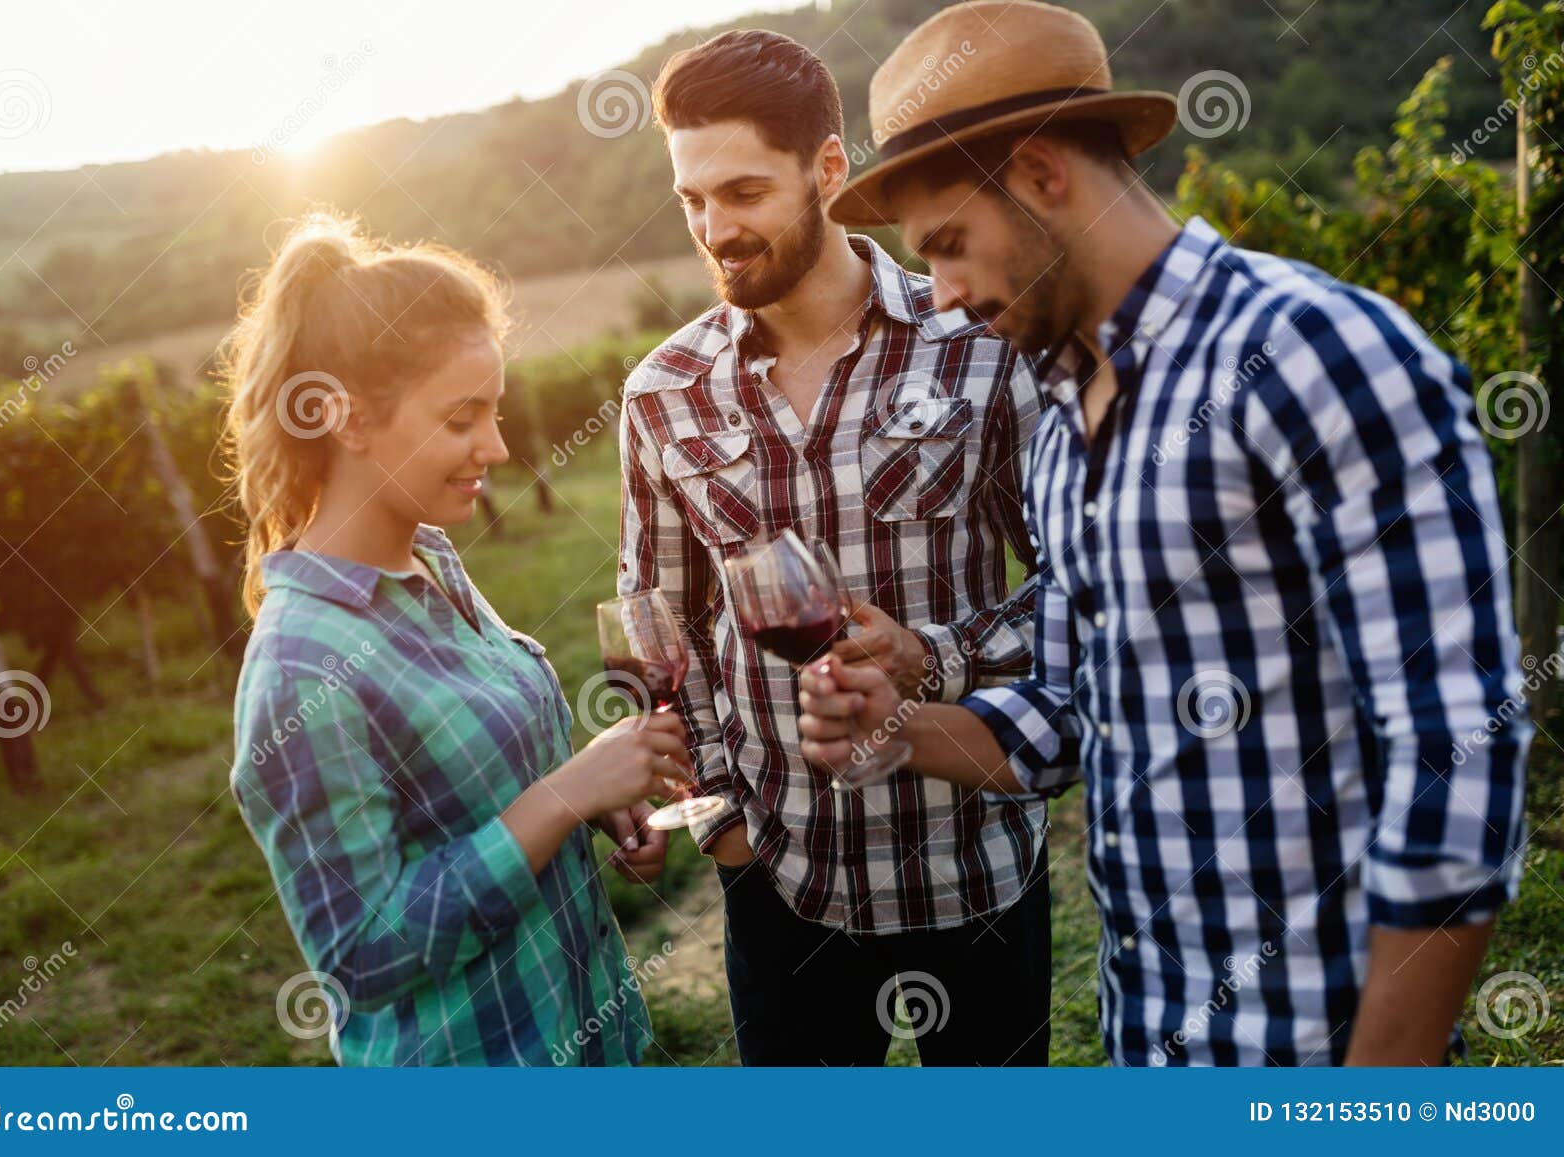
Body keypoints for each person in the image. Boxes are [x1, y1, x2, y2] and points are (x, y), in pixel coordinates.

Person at [799, 0, 1529, 1066]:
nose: (945, 297)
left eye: (950, 245)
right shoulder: (1058, 423)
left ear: (1044, 174)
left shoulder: (1312, 350)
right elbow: (1067, 713)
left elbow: (1459, 751)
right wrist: (902, 727)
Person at [619, 28, 1055, 1066]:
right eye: (692, 202)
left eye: (742, 192)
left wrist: (932, 654)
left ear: (826, 168)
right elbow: (655, 630)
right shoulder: (662, 394)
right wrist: (722, 821)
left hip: (972, 861)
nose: (715, 229)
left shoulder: (977, 343)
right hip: (783, 884)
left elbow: (1076, 588)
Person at [226, 212, 683, 1066]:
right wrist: (561, 798)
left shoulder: (432, 558)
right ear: (348, 421)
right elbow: (363, 955)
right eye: (462, 417)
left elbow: (473, 797)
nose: (498, 446)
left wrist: (594, 800)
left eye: (495, 411)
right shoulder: (299, 670)